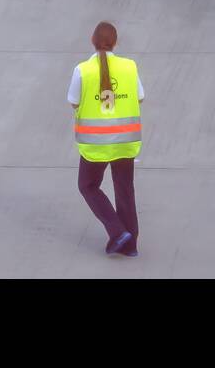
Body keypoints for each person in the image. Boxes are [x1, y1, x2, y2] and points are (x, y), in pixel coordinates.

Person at [69, 21, 144, 257]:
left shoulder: (82, 70)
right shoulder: (129, 66)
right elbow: (140, 97)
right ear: (116, 42)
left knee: (88, 186)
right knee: (124, 190)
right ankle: (130, 245)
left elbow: (73, 101)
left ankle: (117, 230)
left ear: (92, 41)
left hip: (95, 144)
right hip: (125, 139)